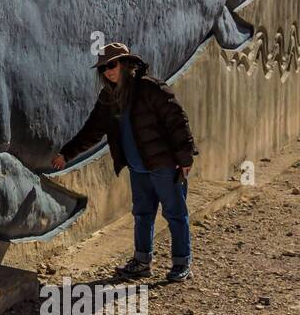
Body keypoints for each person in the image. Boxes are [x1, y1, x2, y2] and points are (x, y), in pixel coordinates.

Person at [50, 42, 197, 282]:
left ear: (127, 64)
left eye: (111, 65)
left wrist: (185, 157)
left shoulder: (151, 88)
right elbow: (92, 130)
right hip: (138, 168)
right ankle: (141, 262)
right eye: (103, 68)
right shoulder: (108, 97)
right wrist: (66, 154)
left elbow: (177, 119)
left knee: (175, 214)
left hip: (164, 164)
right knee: (142, 214)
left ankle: (182, 263)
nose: (107, 71)